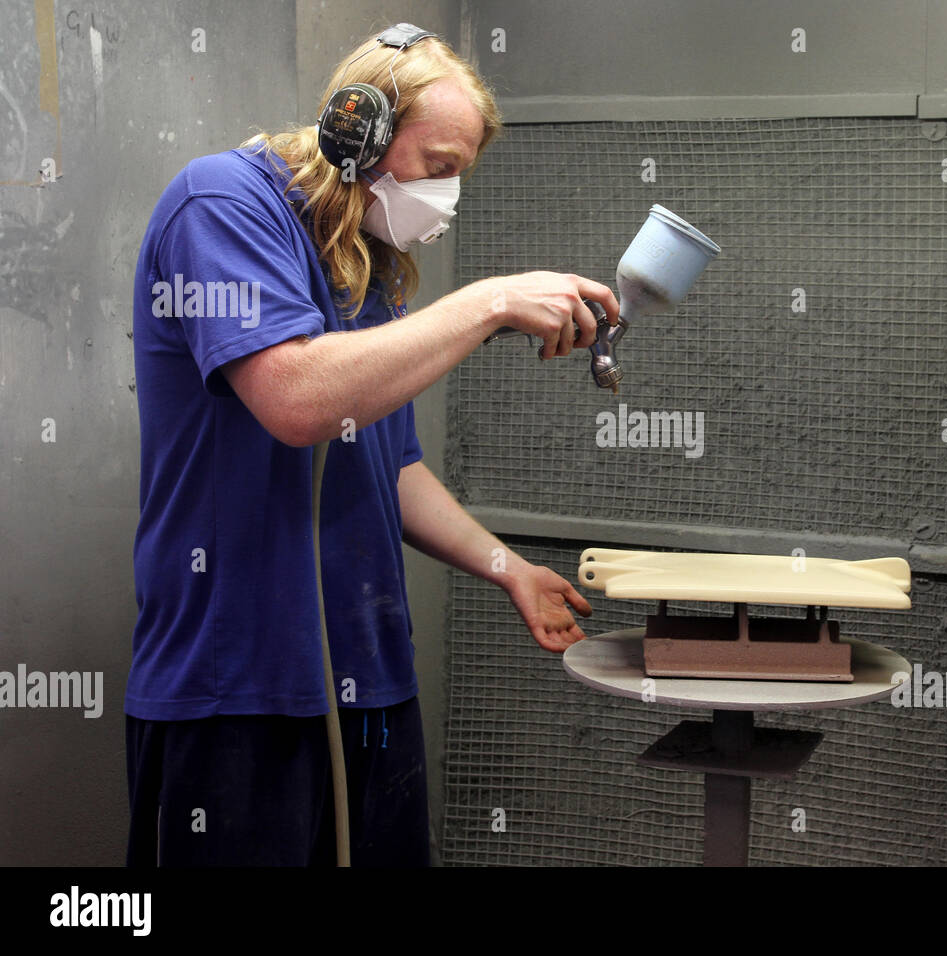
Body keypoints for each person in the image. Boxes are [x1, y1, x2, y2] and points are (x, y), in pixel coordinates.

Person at [124, 25, 618, 866]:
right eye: (441, 166)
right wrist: (489, 301)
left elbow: (390, 465)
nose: (448, 196)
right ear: (358, 131)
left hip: (368, 680)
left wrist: (507, 569)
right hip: (235, 683)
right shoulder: (222, 207)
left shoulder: (365, 264)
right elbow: (292, 398)